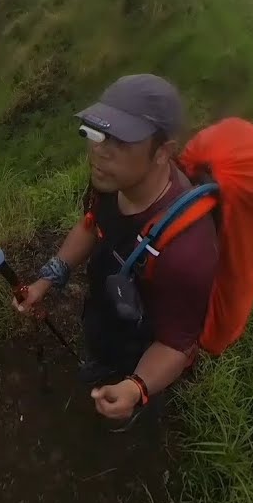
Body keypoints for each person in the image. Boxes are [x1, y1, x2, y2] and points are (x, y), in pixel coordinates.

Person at [14, 73, 219, 430]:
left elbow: (176, 345)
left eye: (121, 140)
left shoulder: (187, 252)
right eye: (97, 133)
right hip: (104, 310)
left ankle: (130, 413)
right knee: (98, 344)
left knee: (127, 401)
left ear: (163, 152)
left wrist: (135, 388)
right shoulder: (111, 182)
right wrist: (45, 282)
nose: (99, 150)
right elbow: (91, 225)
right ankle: (99, 360)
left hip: (142, 346)